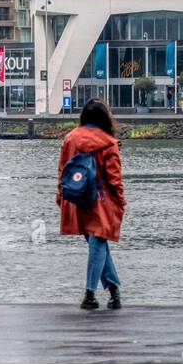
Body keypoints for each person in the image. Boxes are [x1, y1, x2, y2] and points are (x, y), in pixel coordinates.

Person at [56, 98, 126, 311]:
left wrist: (61, 194)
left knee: (98, 244)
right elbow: (114, 178)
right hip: (101, 200)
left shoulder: (71, 138)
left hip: (76, 197)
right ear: (105, 118)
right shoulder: (109, 143)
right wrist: (121, 202)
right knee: (99, 242)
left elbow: (62, 169)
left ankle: (114, 292)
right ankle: (90, 293)